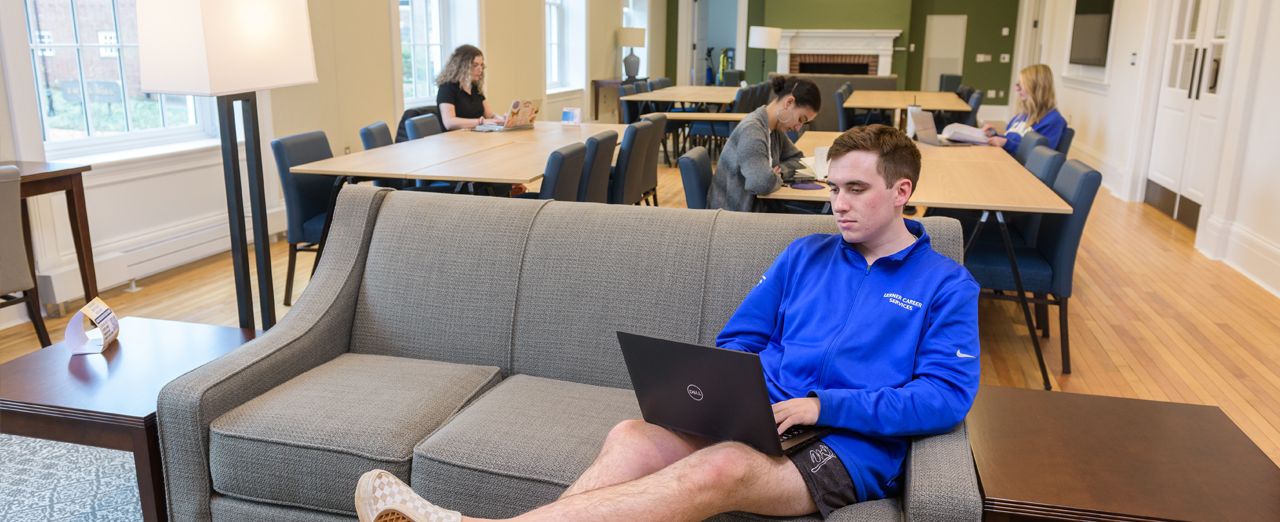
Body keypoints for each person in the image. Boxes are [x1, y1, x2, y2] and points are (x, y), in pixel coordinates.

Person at [352, 125, 982, 522]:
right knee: (631, 433)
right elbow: (739, 339)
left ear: (901, 192)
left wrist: (822, 407)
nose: (837, 204)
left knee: (719, 471)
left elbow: (944, 398)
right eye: (832, 188)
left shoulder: (946, 286)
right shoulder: (805, 254)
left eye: (856, 190)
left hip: (846, 446)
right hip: (763, 415)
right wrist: (750, 392)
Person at [707, 76, 821, 213]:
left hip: (761, 208)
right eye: (800, 119)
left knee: (818, 218)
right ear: (789, 102)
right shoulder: (752, 131)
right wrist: (770, 177)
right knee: (817, 222)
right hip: (737, 219)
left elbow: (800, 160)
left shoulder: (774, 130)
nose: (798, 127)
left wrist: (779, 173)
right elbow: (761, 183)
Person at [983, 64, 1066, 154]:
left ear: (1036, 87)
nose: (1017, 89)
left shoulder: (1053, 121)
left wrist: (1007, 144)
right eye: (1017, 84)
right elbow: (1010, 140)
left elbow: (1041, 156)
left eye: (1021, 85)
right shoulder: (1023, 115)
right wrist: (994, 135)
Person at [436, 44, 506, 131]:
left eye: (481, 65)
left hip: (472, 136)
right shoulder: (447, 88)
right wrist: (481, 122)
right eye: (475, 65)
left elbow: (490, 115)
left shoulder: (474, 87)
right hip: (453, 140)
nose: (480, 69)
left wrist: (503, 120)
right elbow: (449, 122)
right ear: (462, 66)